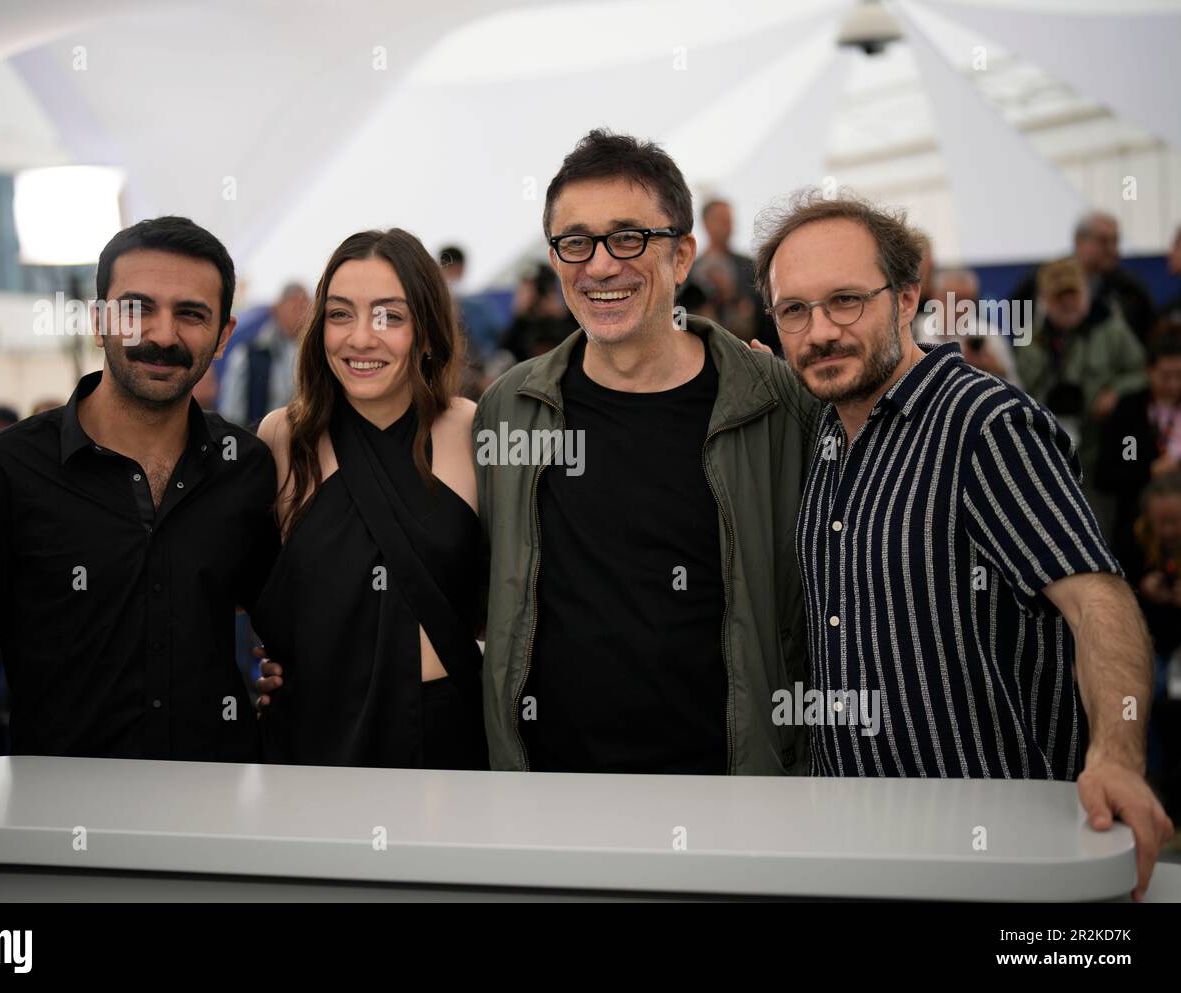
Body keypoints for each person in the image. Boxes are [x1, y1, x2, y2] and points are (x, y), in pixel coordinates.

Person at [753, 187, 1172, 900]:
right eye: (796, 309)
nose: (819, 330)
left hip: (998, 856)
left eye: (846, 300)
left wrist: (1119, 754)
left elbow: (1098, 598)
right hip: (860, 847)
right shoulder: (827, 427)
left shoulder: (985, 426)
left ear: (909, 295)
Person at [472, 129, 818, 775]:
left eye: (629, 236)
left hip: (732, 797)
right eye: (575, 241)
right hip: (548, 794)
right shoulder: (509, 410)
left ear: (683, 255)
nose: (600, 265)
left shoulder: (776, 404)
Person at [0, 216, 280, 766]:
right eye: (137, 309)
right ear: (100, 320)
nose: (161, 335)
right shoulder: (1, 474)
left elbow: (293, 621)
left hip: (217, 809)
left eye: (190, 314)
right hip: (55, 818)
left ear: (224, 335)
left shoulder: (246, 467)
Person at [251, 229, 486, 769]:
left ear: (426, 332)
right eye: (339, 314)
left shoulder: (476, 432)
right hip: (313, 733)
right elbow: (244, 588)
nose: (361, 338)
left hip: (444, 738)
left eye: (389, 316)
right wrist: (258, 663)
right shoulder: (281, 438)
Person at [1015, 257, 1146, 533]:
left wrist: (1114, 392)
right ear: (1044, 300)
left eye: (1072, 293)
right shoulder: (1032, 339)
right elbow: (1021, 388)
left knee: (1101, 531)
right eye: (1058, 296)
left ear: (1086, 292)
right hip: (1051, 452)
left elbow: (1142, 372)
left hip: (1100, 451)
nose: (1067, 303)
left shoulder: (1111, 329)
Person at [1119, 472, 1181, 824]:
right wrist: (1141, 589)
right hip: (1148, 643)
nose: (1169, 531)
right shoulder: (1133, 540)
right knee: (1142, 696)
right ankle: (1152, 779)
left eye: (1175, 522)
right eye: (1162, 523)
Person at [1096, 326, 1181, 560]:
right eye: (1166, 376)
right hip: (1137, 534)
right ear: (1149, 370)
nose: (1174, 384)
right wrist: (1148, 471)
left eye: (1179, 375)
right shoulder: (1129, 410)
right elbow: (1106, 475)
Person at [1010, 211, 1155, 342]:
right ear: (1079, 241)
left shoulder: (1129, 288)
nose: (1112, 249)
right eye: (1103, 241)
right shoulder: (1046, 276)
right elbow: (1015, 309)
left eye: (1115, 241)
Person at [688, 198, 778, 352]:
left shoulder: (749, 266)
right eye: (722, 221)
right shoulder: (690, 269)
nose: (728, 227)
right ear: (706, 223)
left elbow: (766, 310)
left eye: (729, 221)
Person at [216, 282, 310, 429]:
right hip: (257, 440)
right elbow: (231, 412)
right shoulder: (249, 354)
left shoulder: (314, 353)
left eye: (305, 308)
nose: (300, 314)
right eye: (294, 307)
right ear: (277, 309)